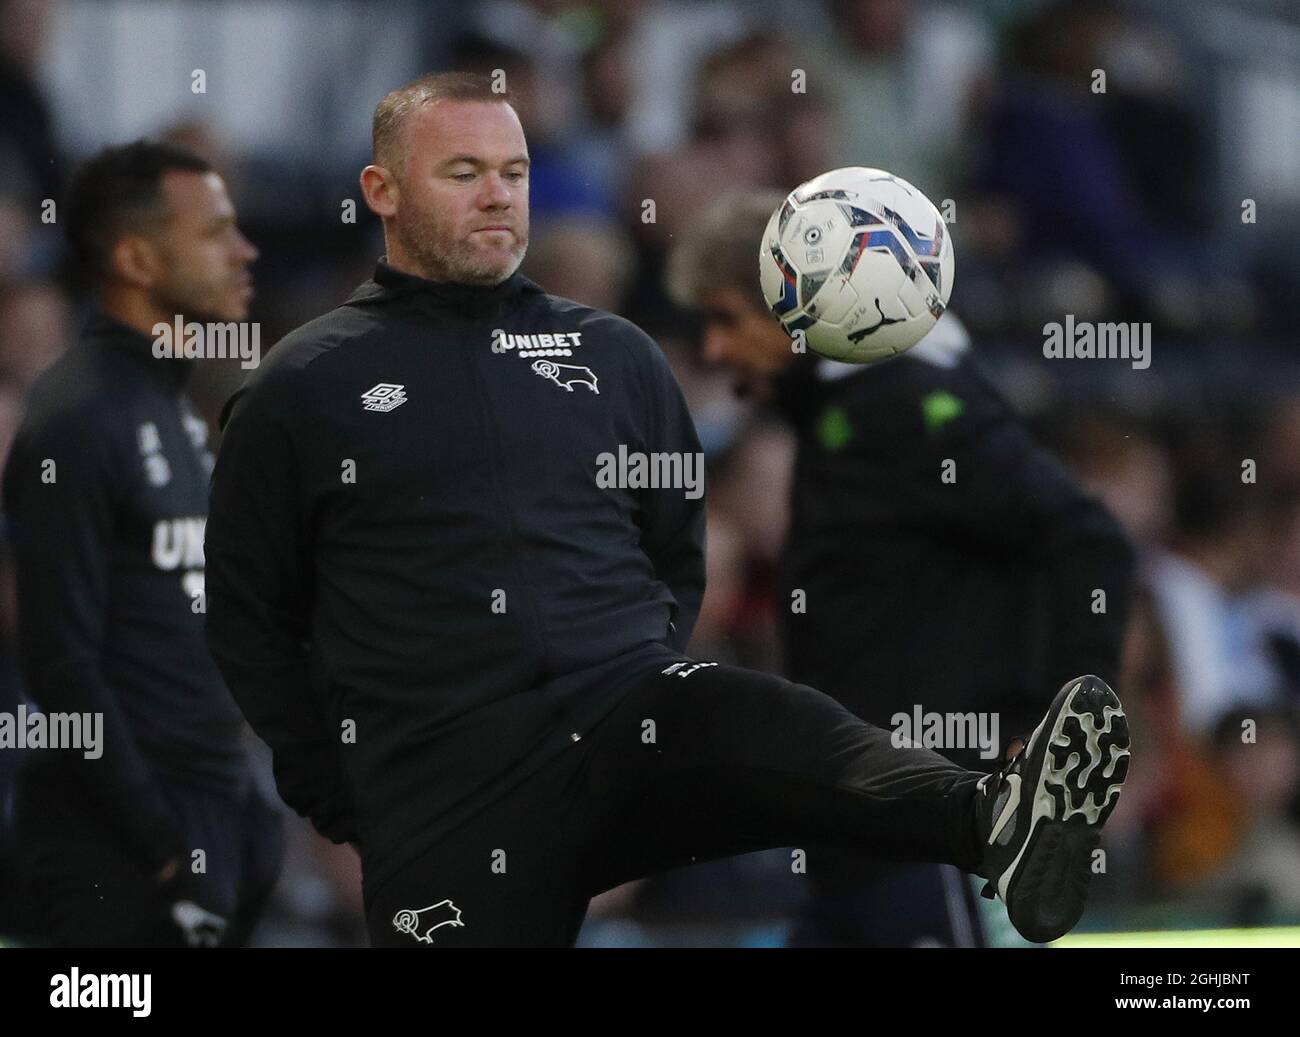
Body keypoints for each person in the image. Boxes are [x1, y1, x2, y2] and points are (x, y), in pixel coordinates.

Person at [205, 72, 1130, 948]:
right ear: (383, 190)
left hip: (623, 715)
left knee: (770, 719)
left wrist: (631, 667)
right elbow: (251, 621)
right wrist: (343, 793)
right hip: (444, 785)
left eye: (515, 173)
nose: (498, 195)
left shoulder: (617, 355)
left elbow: (675, 553)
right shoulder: (303, 384)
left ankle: (992, 816)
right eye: (464, 172)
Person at [667, 191, 1137, 945]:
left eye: (727, 318)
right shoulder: (848, 410)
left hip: (924, 831)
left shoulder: (910, 404)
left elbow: (1087, 538)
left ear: (798, 306)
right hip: (862, 835)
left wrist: (1064, 733)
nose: (714, 350)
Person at [1, 140, 283, 947]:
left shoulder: (168, 409)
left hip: (211, 825)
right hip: (120, 855)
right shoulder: (81, 417)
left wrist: (245, 817)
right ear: (135, 258)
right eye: (216, 232)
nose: (245, 250)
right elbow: (61, 661)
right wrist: (162, 841)